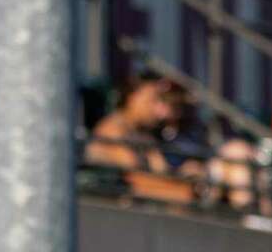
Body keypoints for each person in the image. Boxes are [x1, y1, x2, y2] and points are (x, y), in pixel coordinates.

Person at [84, 73, 199, 205]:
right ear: (132, 97)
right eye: (151, 100)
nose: (157, 110)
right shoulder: (112, 132)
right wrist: (184, 192)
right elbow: (137, 181)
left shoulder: (144, 136)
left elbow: (161, 171)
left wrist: (184, 174)